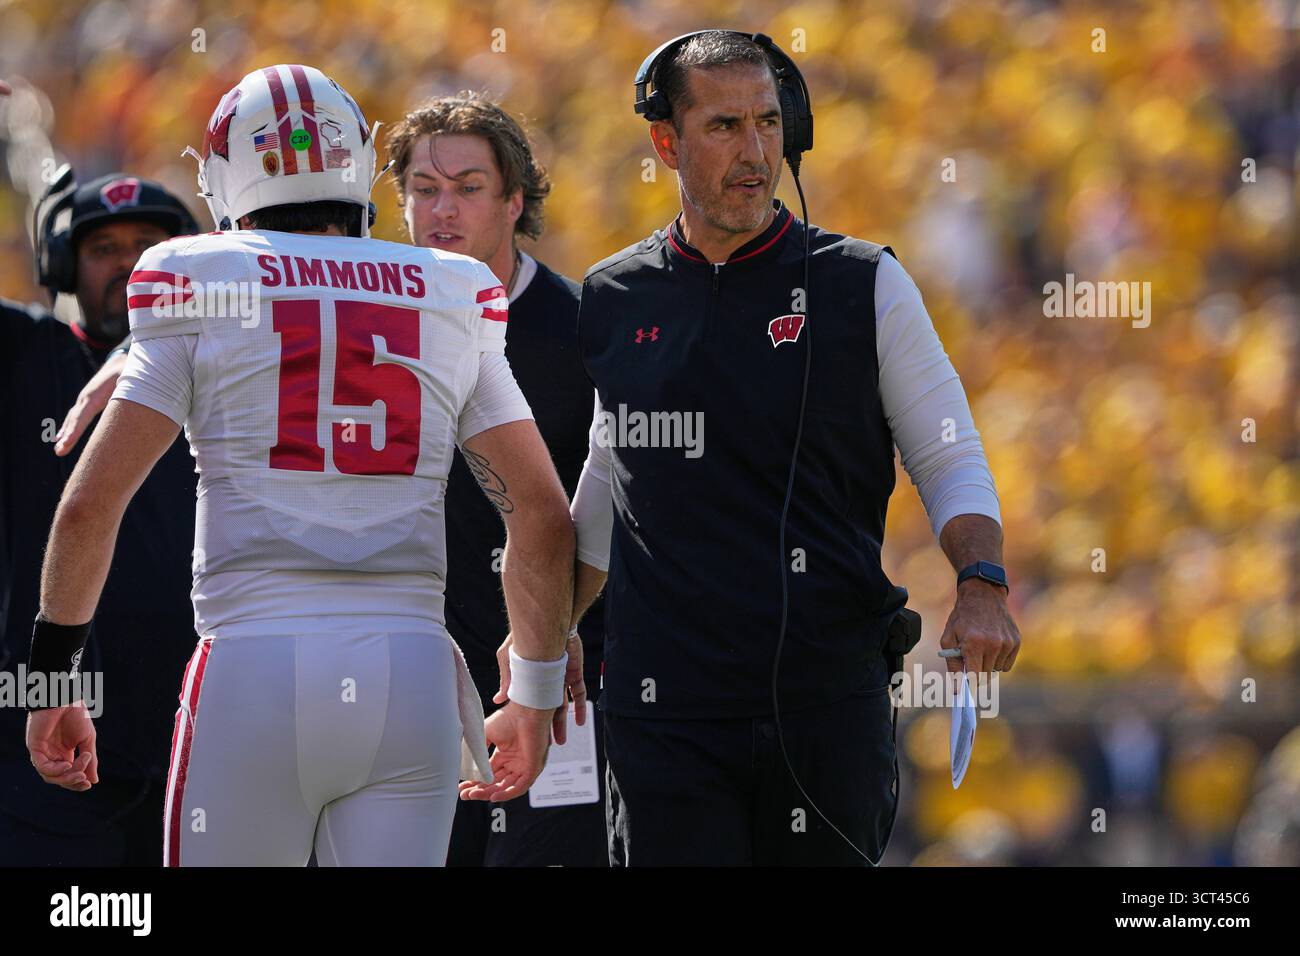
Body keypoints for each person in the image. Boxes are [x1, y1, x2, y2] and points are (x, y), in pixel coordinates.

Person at [22, 64, 575, 866]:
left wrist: (52, 680)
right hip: (411, 675)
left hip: (255, 666)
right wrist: (534, 690)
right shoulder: (450, 290)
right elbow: (543, 515)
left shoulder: (195, 279)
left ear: (222, 177)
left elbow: (88, 507)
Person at [567, 31, 1022, 866]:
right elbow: (609, 471)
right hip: (662, 709)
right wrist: (552, 623)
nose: (755, 151)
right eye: (725, 127)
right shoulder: (610, 294)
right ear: (665, 141)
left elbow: (949, 453)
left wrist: (982, 581)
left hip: (822, 702)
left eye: (770, 124)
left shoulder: (864, 283)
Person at [386, 92, 608, 866]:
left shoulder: (586, 332)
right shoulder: (367, 323)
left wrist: (561, 631)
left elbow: (618, 511)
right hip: (407, 683)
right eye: (424, 188)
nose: (442, 209)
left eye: (469, 188)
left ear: (515, 202)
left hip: (558, 683)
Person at [0, 162, 199, 865]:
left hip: (204, 733)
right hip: (49, 739)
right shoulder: (25, 355)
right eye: (102, 249)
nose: (128, 264)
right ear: (62, 264)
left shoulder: (230, 367)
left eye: (148, 245)